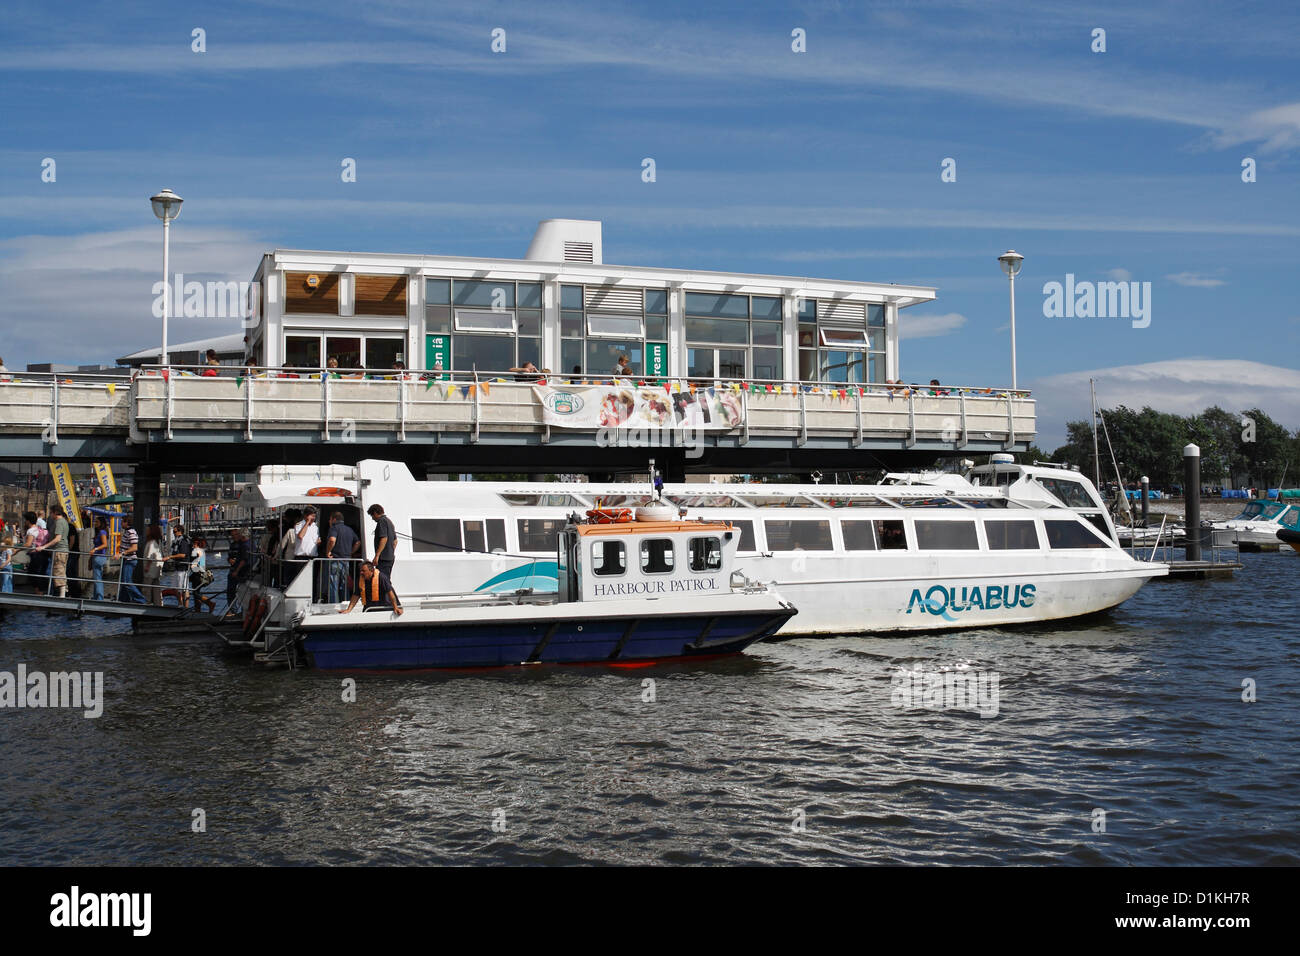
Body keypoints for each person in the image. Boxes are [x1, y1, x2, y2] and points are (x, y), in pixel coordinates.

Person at [35, 503, 71, 598]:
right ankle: (61, 594)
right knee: (59, 572)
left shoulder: (59, 522)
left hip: (60, 550)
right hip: (61, 550)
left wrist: (44, 547)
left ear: (55, 513)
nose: (50, 515)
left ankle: (62, 596)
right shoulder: (64, 521)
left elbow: (58, 538)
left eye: (51, 513)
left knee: (59, 572)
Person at [324, 511, 360, 603]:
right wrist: (351, 552)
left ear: (334, 519)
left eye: (330, 519)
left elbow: (332, 540)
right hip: (346, 561)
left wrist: (328, 552)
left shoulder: (334, 528)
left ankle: (333, 604)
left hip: (335, 560)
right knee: (344, 585)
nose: (329, 521)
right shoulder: (349, 529)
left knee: (333, 585)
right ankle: (346, 603)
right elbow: (357, 542)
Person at [368, 503, 397, 580]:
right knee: (386, 579)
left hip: (383, 558)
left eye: (372, 516)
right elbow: (395, 541)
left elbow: (384, 538)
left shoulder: (381, 522)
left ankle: (388, 592)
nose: (372, 518)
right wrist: (390, 551)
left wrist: (377, 555)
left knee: (382, 580)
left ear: (375, 513)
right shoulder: (389, 522)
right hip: (390, 557)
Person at [225, 528, 251, 611]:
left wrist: (236, 564)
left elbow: (244, 559)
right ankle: (233, 609)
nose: (234, 537)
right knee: (230, 591)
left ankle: (243, 610)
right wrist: (229, 560)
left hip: (240, 571)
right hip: (233, 569)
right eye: (232, 535)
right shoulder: (232, 545)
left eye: (236, 535)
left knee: (242, 592)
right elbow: (229, 556)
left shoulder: (243, 545)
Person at [189, 537, 215, 612]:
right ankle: (198, 609)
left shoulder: (198, 551)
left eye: (194, 544)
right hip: (196, 573)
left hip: (198, 574)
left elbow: (199, 563)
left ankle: (210, 603)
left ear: (197, 544)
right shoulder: (200, 551)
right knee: (196, 592)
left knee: (196, 593)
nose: (193, 545)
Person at [142, 524, 165, 606]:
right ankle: (158, 603)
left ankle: (147, 602)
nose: (146, 532)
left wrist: (147, 567)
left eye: (148, 530)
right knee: (156, 587)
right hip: (156, 569)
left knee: (147, 587)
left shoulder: (151, 543)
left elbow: (150, 556)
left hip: (151, 569)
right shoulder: (156, 542)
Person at [88, 516, 109, 600]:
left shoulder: (102, 532)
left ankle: (99, 598)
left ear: (101, 523)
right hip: (96, 556)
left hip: (99, 556)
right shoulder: (99, 532)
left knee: (98, 578)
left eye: (97, 522)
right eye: (95, 522)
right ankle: (96, 596)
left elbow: (105, 544)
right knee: (97, 577)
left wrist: (95, 549)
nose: (95, 523)